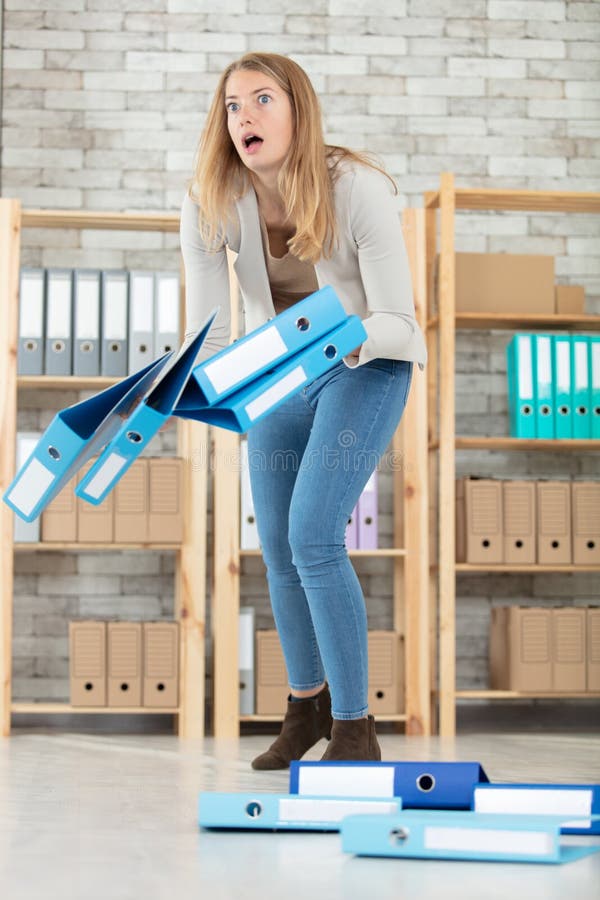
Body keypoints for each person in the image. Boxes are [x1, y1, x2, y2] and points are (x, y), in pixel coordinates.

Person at [180, 52, 427, 769]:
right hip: (280, 374)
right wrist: (188, 385)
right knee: (278, 547)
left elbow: (402, 325)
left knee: (314, 534)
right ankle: (306, 707)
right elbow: (214, 334)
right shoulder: (209, 198)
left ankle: (356, 728)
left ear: (298, 110)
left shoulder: (359, 189)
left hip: (365, 365)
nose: (244, 116)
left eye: (262, 99)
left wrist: (335, 337)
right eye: (232, 106)